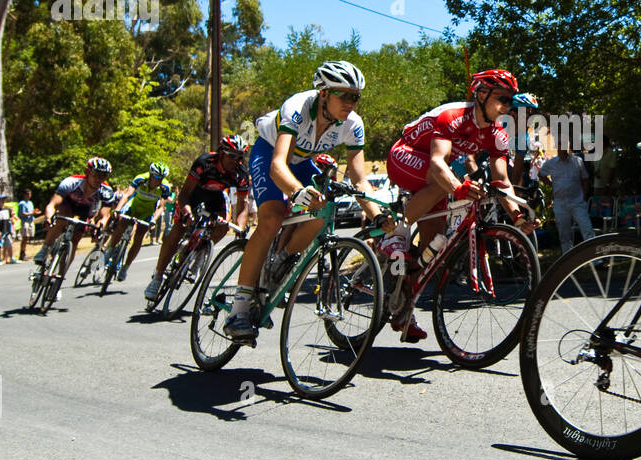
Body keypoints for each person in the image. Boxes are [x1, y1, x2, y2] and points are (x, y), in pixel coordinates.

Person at [221, 61, 388, 344]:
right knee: (272, 218)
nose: (351, 103)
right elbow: (277, 166)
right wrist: (298, 193)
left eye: (355, 96)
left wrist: (379, 217)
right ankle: (238, 309)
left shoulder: (353, 125)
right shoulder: (297, 107)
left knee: (323, 210)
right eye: (344, 95)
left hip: (301, 161)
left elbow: (360, 180)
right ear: (323, 93)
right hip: (269, 152)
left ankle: (282, 262)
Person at [382, 68, 538, 339]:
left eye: (510, 101)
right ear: (481, 94)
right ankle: (395, 233)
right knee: (440, 181)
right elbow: (437, 162)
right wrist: (459, 187)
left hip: (432, 176)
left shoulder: (497, 133)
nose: (507, 106)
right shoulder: (453, 116)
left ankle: (402, 305)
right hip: (405, 155)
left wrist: (518, 216)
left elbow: (502, 179)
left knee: (430, 251)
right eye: (502, 98)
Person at [146, 137, 251, 305]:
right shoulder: (205, 162)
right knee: (179, 227)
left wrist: (240, 227)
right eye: (233, 156)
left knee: (223, 226)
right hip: (195, 193)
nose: (236, 161)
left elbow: (243, 206)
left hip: (216, 197)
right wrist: (186, 211)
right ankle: (158, 276)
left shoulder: (240, 173)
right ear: (222, 153)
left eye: (240, 157)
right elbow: (185, 193)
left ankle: (202, 250)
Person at [34, 158, 117, 281]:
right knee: (63, 218)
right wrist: (48, 217)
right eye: (96, 175)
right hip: (67, 204)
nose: (99, 179)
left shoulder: (106, 191)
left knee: (75, 240)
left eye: (103, 176)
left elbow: (104, 216)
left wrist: (100, 227)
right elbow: (52, 204)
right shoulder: (71, 182)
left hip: (86, 210)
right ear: (88, 172)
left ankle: (59, 278)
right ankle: (45, 248)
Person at [107, 162, 172, 281]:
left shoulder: (165, 187)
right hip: (133, 206)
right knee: (121, 223)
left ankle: (125, 267)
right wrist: (118, 209)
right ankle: (110, 249)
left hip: (147, 212)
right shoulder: (141, 178)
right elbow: (127, 194)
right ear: (151, 174)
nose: (158, 180)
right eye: (156, 177)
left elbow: (161, 207)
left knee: (139, 238)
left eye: (161, 178)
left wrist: (153, 220)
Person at [538, 143, 594, 250]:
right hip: (560, 203)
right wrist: (551, 184)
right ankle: (568, 260)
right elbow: (541, 174)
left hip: (577, 202)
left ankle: (596, 261)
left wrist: (584, 196)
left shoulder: (577, 161)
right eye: (559, 145)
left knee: (587, 229)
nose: (562, 147)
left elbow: (585, 179)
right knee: (564, 236)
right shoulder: (551, 163)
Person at [0, 194, 18, 265]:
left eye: (4, 199)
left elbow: (10, 219)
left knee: (9, 244)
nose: (3, 201)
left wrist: (12, 228)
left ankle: (12, 258)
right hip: (0, 229)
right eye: (1, 199)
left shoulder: (7, 209)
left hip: (7, 229)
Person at [16, 188, 36, 261]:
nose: (29, 195)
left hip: (30, 221)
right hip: (25, 221)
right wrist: (32, 213)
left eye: (30, 194)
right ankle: (22, 253)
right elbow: (21, 214)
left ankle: (24, 253)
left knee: (28, 237)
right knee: (25, 237)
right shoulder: (22, 203)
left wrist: (34, 213)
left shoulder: (30, 203)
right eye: (27, 194)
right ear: (24, 195)